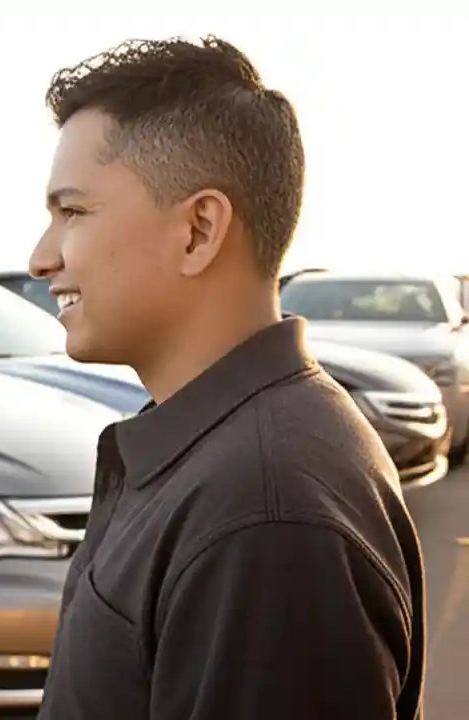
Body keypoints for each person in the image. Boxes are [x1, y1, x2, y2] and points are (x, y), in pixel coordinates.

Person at [29, 36, 425, 719]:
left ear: (198, 230)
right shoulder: (230, 456)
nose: (40, 257)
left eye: (74, 212)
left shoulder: (265, 514)